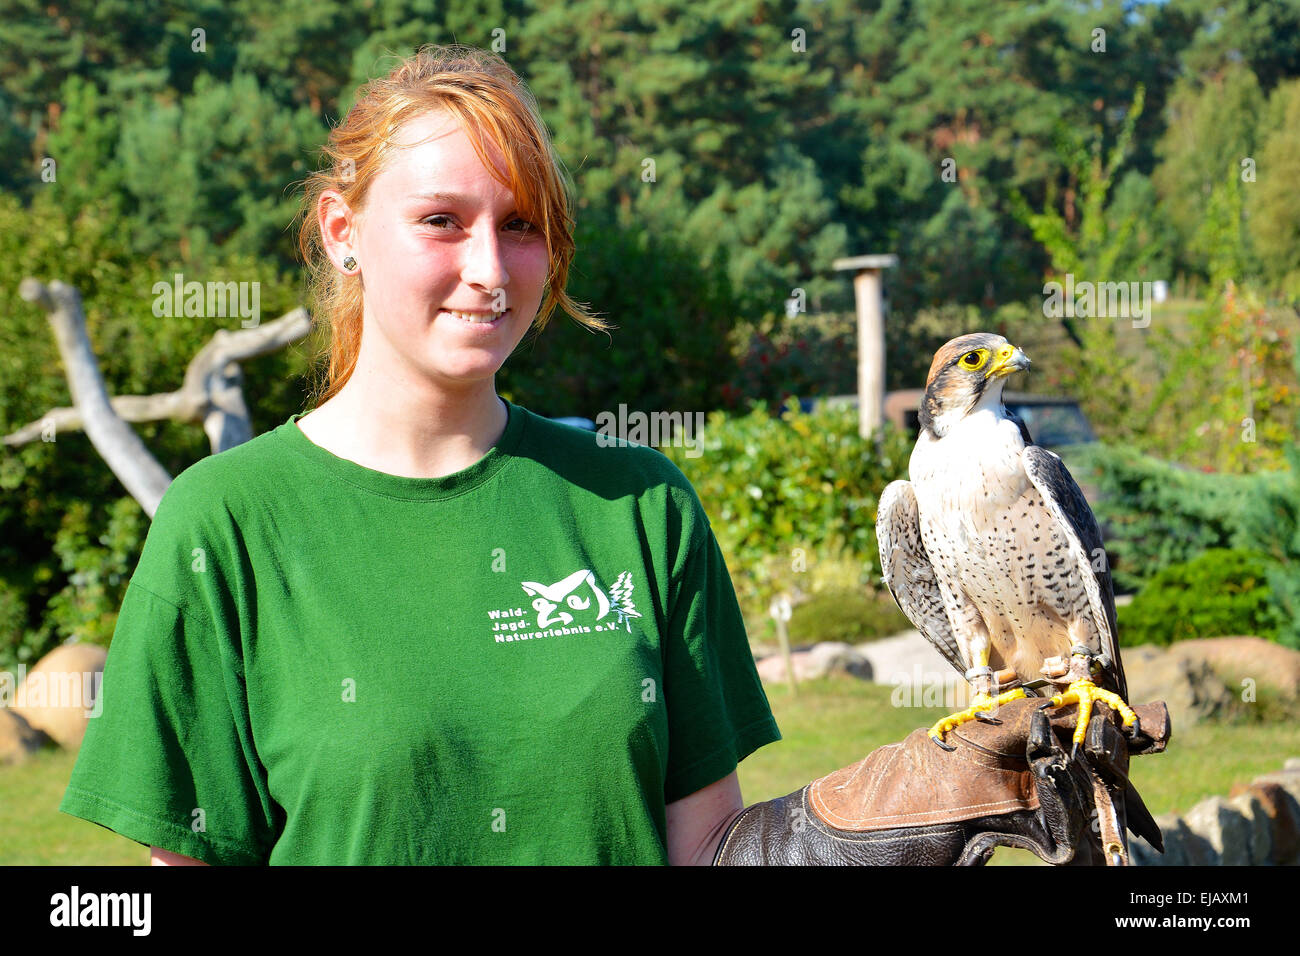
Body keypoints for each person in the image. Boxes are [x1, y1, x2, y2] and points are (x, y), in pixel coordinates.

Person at [59, 43, 782, 866]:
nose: (488, 269)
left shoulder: (641, 503)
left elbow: (708, 847)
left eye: (520, 225)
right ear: (342, 231)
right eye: (442, 220)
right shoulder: (223, 524)